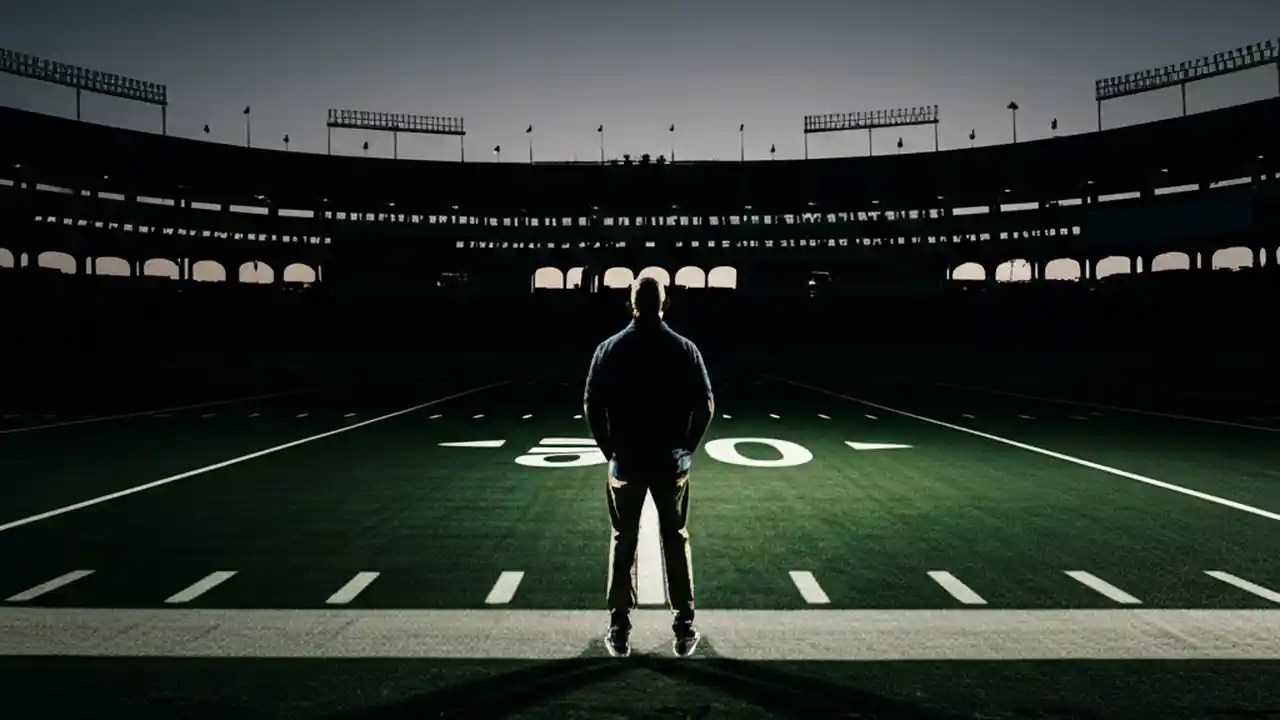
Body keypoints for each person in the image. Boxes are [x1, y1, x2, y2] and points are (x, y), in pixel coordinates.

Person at [583, 276, 715, 658]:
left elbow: (591, 404)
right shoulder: (684, 349)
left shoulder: (609, 349)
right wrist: (686, 448)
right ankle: (684, 624)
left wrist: (609, 448)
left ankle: (620, 626)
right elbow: (705, 405)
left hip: (627, 460)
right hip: (670, 461)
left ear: (631, 303)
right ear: (664, 303)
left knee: (624, 539)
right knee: (675, 537)